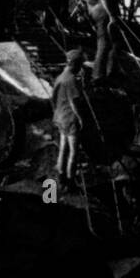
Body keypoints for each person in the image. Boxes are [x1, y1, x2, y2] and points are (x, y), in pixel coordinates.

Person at [52, 50, 86, 183]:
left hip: (60, 116)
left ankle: (60, 175)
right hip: (70, 118)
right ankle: (70, 179)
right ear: (75, 64)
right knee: (73, 151)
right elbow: (73, 102)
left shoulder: (60, 77)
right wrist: (80, 117)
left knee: (63, 147)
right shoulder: (71, 79)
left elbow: (54, 98)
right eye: (80, 64)